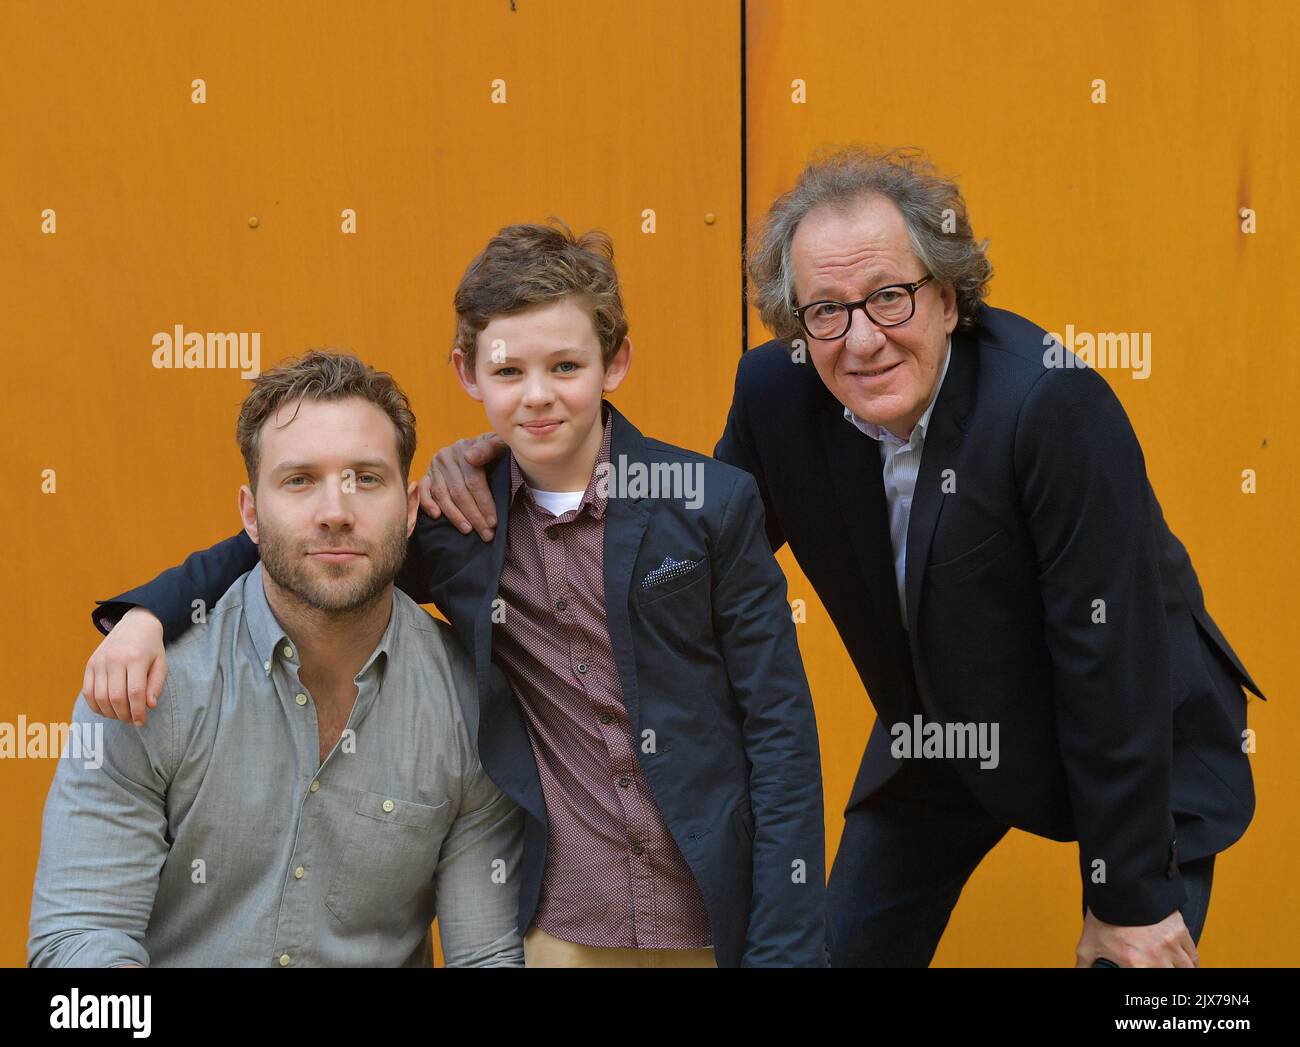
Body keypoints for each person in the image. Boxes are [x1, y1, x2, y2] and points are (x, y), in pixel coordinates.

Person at [421, 149, 1262, 968]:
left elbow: (1108, 657)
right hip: (942, 730)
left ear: (949, 296)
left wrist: (1127, 900)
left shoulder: (1049, 405)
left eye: (890, 298)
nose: (862, 341)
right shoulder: (777, 396)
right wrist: (503, 458)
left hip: (1137, 734)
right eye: (826, 311)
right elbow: (687, 543)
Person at [80, 222, 827, 968]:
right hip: (558, 927)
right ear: (467, 373)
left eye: (566, 365)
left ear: (615, 362)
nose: (538, 397)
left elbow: (781, 734)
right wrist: (149, 615)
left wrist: (786, 950)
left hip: (718, 915)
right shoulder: (454, 525)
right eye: (508, 372)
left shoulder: (711, 504)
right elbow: (292, 543)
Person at [31, 351, 524, 967]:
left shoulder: (469, 702)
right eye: (299, 480)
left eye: (366, 479)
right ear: (249, 515)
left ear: (409, 506)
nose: (335, 511)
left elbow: (487, 957)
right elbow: (76, 943)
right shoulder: (146, 684)